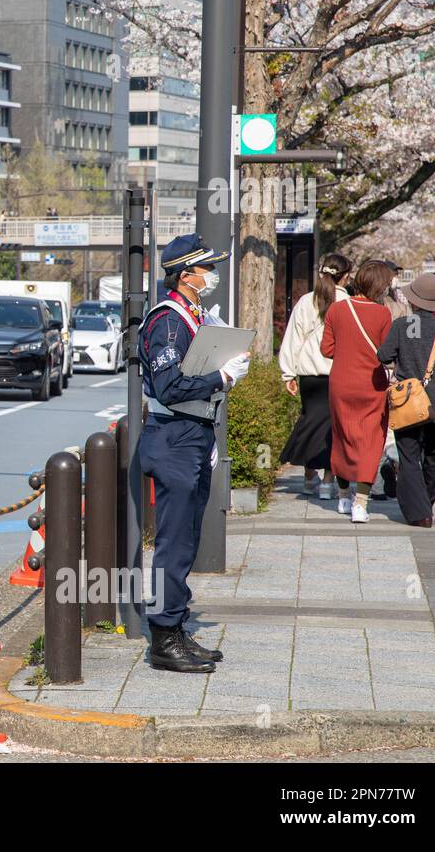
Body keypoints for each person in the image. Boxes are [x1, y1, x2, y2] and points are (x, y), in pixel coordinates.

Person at [137, 234, 250, 674]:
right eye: (207, 268)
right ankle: (164, 637)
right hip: (174, 435)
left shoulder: (192, 314)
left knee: (186, 538)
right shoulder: (167, 320)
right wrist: (222, 377)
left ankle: (176, 625)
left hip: (191, 432)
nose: (213, 275)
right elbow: (169, 386)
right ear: (186, 275)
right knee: (174, 541)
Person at [377, 273, 435, 527]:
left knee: (409, 456)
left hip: (409, 401)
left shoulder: (402, 325)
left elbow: (384, 355)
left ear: (414, 300)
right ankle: (425, 504)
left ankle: (419, 512)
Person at [321, 259, 394, 523]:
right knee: (371, 440)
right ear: (380, 286)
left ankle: (343, 496)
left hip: (340, 382)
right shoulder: (382, 314)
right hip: (372, 384)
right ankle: (360, 503)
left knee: (342, 436)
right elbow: (387, 354)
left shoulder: (337, 309)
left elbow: (326, 349)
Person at [278, 253, 352, 500]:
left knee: (309, 424)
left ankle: (309, 478)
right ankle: (328, 483)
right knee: (334, 429)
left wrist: (288, 373)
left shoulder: (306, 301)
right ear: (346, 276)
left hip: (309, 374)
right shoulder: (349, 304)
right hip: (339, 374)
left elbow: (293, 338)